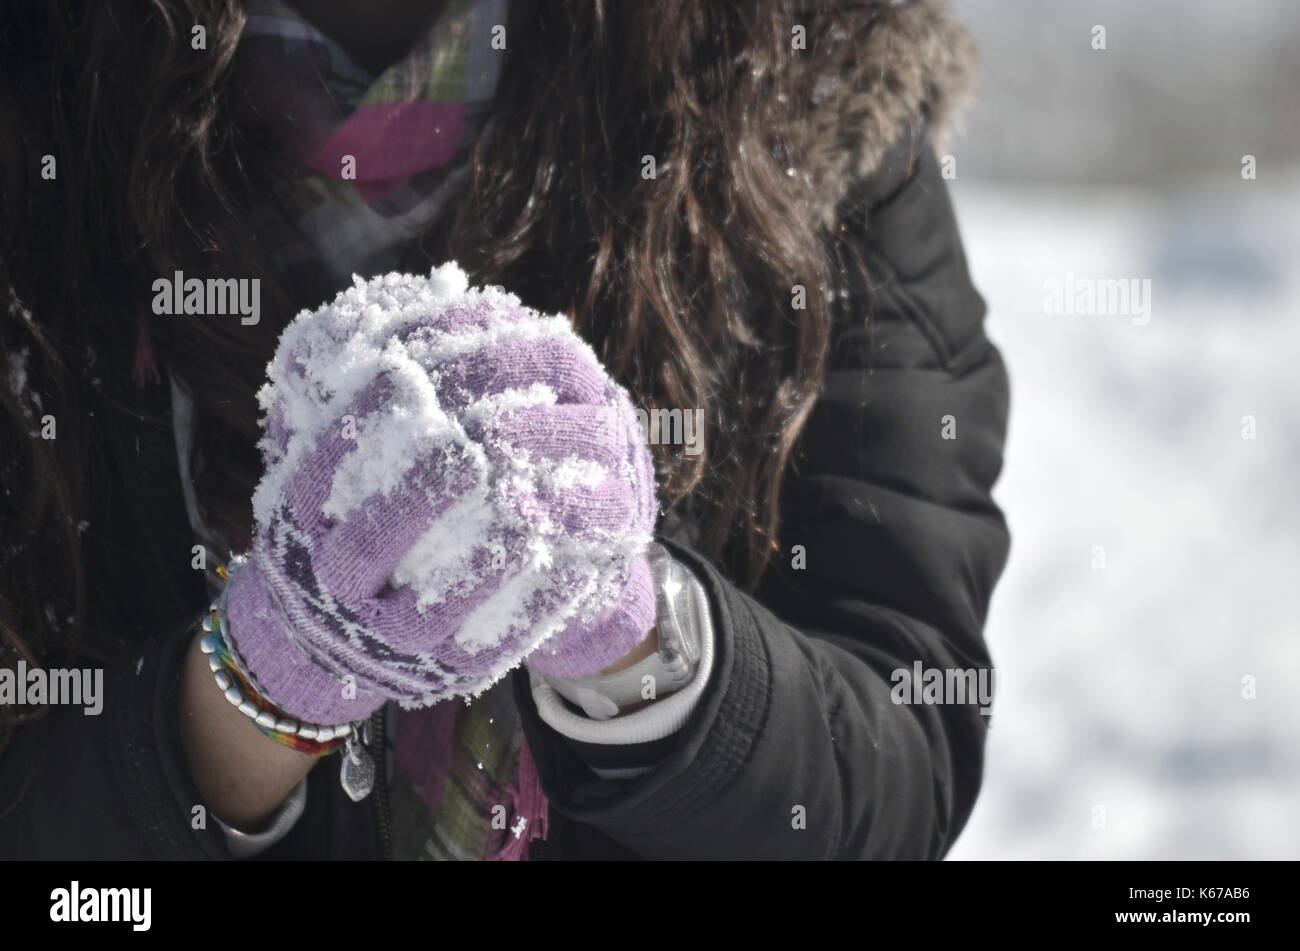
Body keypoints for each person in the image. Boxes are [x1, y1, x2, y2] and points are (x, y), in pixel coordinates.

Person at [0, 0, 1009, 860]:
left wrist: (646, 645)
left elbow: (901, 752)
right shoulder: (34, 92)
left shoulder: (804, 78)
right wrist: (249, 699)